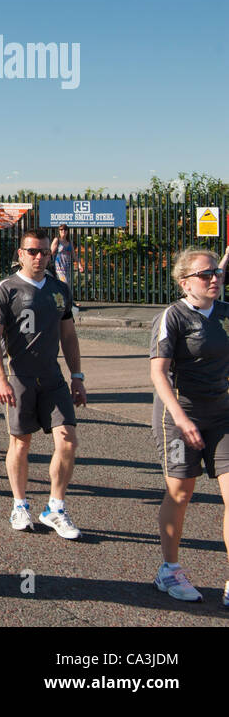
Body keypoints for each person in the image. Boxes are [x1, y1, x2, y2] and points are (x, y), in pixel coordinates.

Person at [0, 228, 87, 539]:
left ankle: (55, 507)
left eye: (44, 251)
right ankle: (19, 504)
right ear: (20, 254)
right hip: (19, 377)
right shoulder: (6, 289)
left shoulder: (59, 290)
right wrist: (0, 378)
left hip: (52, 377)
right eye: (32, 251)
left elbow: (68, 336)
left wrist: (77, 376)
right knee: (21, 442)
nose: (39, 257)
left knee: (68, 440)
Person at [147, 249, 229, 603]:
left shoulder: (225, 315)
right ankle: (169, 570)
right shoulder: (173, 317)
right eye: (205, 274)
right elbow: (158, 372)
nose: (214, 278)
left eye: (217, 272)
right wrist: (181, 417)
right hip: (179, 417)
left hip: (222, 416)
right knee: (181, 493)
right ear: (184, 283)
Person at [51, 225, 75, 294]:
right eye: (61, 230)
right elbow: (51, 252)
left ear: (67, 231)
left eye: (65, 230)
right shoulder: (57, 240)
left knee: (66, 284)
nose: (63, 231)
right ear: (59, 231)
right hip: (59, 266)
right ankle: (69, 302)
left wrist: (79, 264)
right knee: (65, 283)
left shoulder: (69, 242)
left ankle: (65, 301)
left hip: (67, 266)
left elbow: (73, 255)